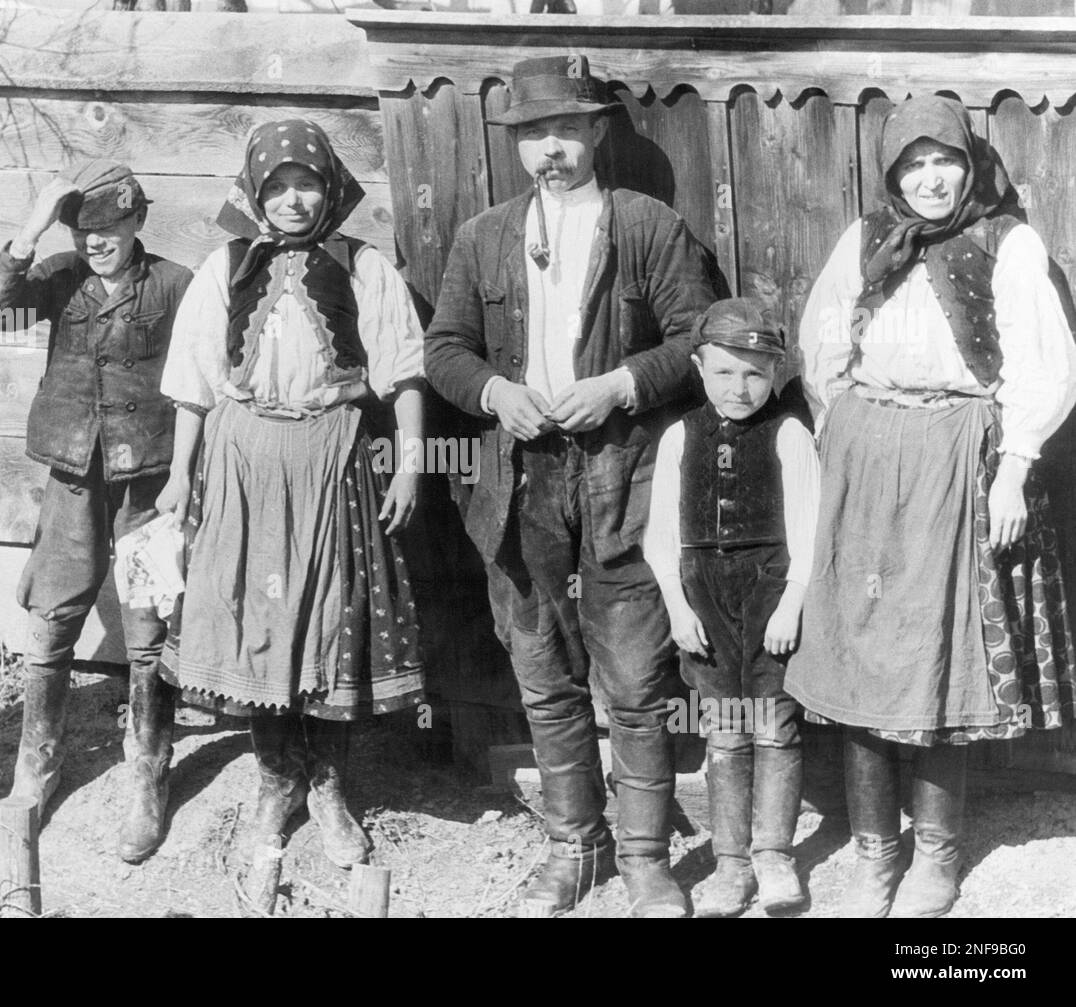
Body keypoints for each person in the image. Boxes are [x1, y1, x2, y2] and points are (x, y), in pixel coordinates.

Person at [425, 55, 716, 917]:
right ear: (516, 145)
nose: (549, 148)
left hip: (622, 472)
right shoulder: (484, 236)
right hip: (517, 482)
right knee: (545, 674)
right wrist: (493, 393)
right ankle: (575, 844)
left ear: (595, 132)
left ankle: (645, 856)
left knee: (634, 680)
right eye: (532, 134)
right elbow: (444, 347)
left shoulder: (648, 225)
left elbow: (698, 339)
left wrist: (619, 385)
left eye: (564, 129)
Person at [788, 94, 1076, 919]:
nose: (930, 178)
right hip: (867, 452)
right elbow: (823, 340)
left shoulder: (1008, 243)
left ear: (970, 162)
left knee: (934, 658)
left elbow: (1043, 363)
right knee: (860, 651)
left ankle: (935, 859)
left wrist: (1013, 468)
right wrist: (842, 425)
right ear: (891, 176)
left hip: (960, 453)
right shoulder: (865, 240)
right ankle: (875, 855)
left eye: (942, 159)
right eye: (911, 165)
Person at [157, 120, 426, 873]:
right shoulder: (227, 266)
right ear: (254, 193)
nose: (291, 200)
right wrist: (181, 475)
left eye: (305, 183)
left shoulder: (364, 265)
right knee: (256, 620)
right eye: (275, 187)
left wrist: (409, 466)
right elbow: (193, 380)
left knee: (327, 617)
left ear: (330, 187)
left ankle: (331, 786)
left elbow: (404, 372)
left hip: (331, 453)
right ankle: (275, 780)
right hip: (242, 457)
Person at [0, 159, 193, 863]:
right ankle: (37, 761)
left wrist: (192, 475)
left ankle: (148, 764)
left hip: (149, 473)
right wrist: (30, 230)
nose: (95, 241)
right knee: (56, 605)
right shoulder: (61, 277)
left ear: (137, 221)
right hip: (73, 465)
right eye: (82, 229)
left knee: (148, 614)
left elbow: (205, 374)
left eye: (109, 227)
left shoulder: (173, 284)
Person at [644, 298, 819, 917]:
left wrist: (791, 602)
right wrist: (676, 603)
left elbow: (809, 526)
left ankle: (774, 855)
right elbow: (660, 531)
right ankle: (730, 863)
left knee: (773, 725)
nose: (740, 387)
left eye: (755, 372)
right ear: (698, 367)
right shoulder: (679, 436)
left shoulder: (789, 433)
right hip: (704, 592)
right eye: (724, 372)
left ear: (775, 371)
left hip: (770, 587)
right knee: (725, 729)